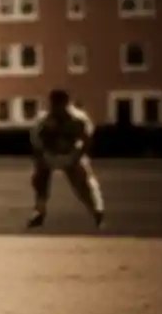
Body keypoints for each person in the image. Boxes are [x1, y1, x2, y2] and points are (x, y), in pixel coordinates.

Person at [26, 89, 105, 230]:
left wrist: (76, 156)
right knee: (39, 177)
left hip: (72, 154)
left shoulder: (79, 119)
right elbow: (36, 145)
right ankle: (39, 210)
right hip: (50, 154)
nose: (56, 108)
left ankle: (97, 212)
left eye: (59, 104)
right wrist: (44, 158)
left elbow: (86, 141)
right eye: (54, 104)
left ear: (67, 103)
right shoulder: (43, 120)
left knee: (84, 183)